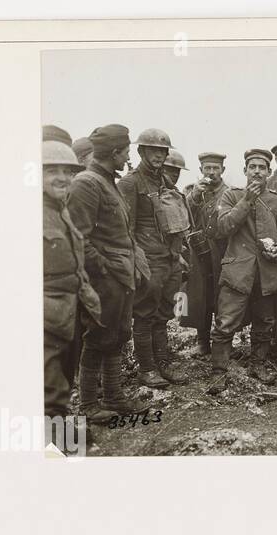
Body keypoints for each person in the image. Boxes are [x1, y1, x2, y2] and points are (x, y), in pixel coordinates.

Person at [67, 123, 146, 422]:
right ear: (114, 152)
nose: (128, 157)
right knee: (98, 336)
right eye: (125, 151)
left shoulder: (107, 181)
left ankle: (113, 397)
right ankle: (88, 405)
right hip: (105, 278)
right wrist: (102, 270)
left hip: (121, 276)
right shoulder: (86, 184)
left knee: (118, 335)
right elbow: (79, 237)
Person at [206, 147, 277, 392]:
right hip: (238, 272)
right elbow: (222, 228)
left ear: (269, 172)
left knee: (265, 321)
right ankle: (218, 372)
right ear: (245, 170)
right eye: (252, 167)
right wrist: (247, 201)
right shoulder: (231, 197)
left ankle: (258, 364)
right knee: (225, 322)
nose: (257, 172)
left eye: (262, 168)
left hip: (267, 273)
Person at [42, 141, 101, 441]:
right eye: (52, 170)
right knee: (48, 384)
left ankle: (59, 431)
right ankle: (56, 446)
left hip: (65, 310)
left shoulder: (59, 210)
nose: (62, 177)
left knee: (63, 377)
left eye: (68, 171)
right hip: (45, 312)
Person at [118, 127, 180, 388]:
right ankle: (147, 368)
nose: (158, 155)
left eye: (162, 151)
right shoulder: (130, 183)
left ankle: (162, 363)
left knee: (164, 312)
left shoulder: (163, 181)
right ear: (141, 151)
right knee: (144, 313)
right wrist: (136, 259)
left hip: (168, 257)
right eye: (153, 150)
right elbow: (125, 227)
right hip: (147, 258)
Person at [183, 151, 235, 356]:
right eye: (207, 169)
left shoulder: (230, 192)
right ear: (201, 170)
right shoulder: (192, 192)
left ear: (222, 170)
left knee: (224, 297)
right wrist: (195, 196)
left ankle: (224, 344)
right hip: (199, 251)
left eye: (215, 168)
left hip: (222, 251)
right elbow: (184, 215)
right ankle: (202, 342)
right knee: (200, 296)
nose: (211, 173)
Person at [152, 149, 194, 384]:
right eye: (169, 170)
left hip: (172, 260)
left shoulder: (176, 194)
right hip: (156, 260)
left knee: (165, 313)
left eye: (177, 171)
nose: (174, 175)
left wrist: (178, 254)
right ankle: (152, 363)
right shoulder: (155, 193)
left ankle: (161, 359)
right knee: (150, 315)